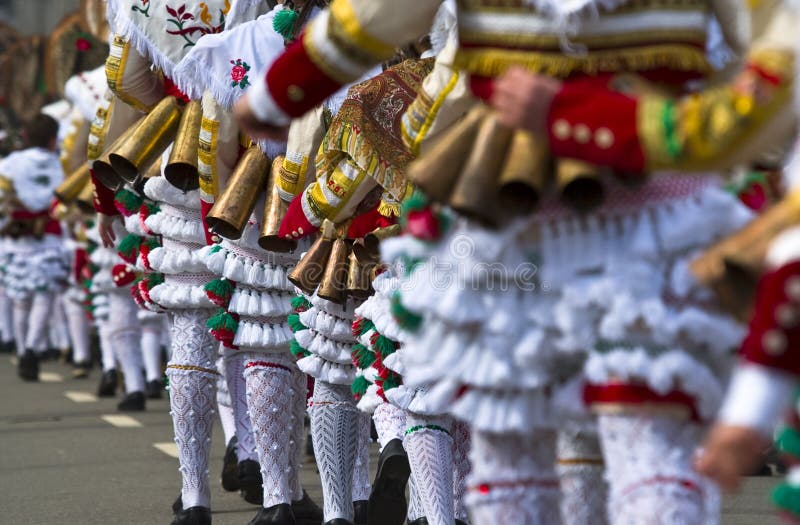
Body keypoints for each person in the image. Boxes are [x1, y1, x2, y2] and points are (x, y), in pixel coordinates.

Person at [0, 113, 68, 381]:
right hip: (49, 238)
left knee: (20, 301)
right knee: (44, 297)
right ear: (52, 139)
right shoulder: (62, 163)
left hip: (17, 239)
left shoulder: (10, 163)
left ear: (26, 136)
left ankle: (22, 349)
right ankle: (31, 348)